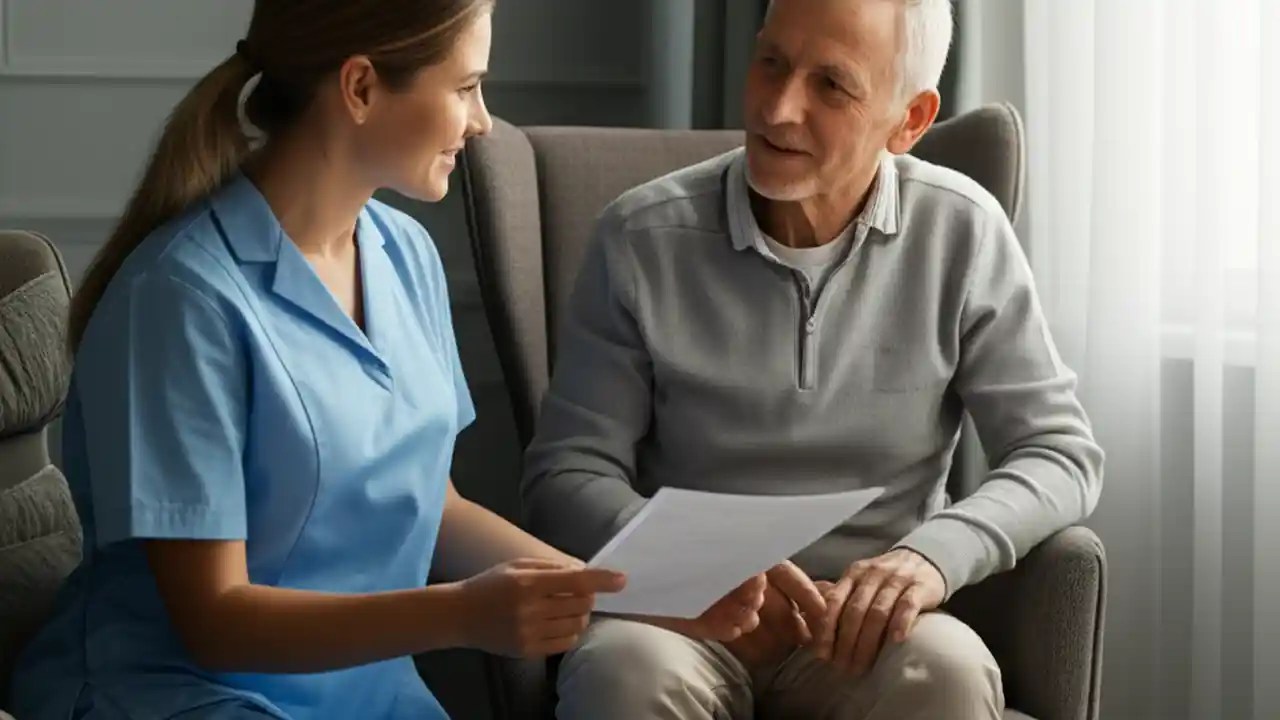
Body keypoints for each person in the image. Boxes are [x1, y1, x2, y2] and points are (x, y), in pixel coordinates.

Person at [8, 2, 650, 718]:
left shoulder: (405, 254)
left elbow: (433, 508)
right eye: (467, 87)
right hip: (180, 696)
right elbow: (215, 621)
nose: (482, 122)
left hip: (368, 694)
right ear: (361, 87)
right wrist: (463, 614)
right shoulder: (181, 298)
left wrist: (631, 594)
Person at [521, 0, 1106, 718]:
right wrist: (701, 570)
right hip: (678, 617)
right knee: (622, 674)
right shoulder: (638, 237)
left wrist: (930, 557)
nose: (777, 108)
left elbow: (1059, 453)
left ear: (911, 119)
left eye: (832, 84)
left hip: (868, 630)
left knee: (950, 674)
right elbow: (565, 474)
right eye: (771, 62)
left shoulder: (965, 232)